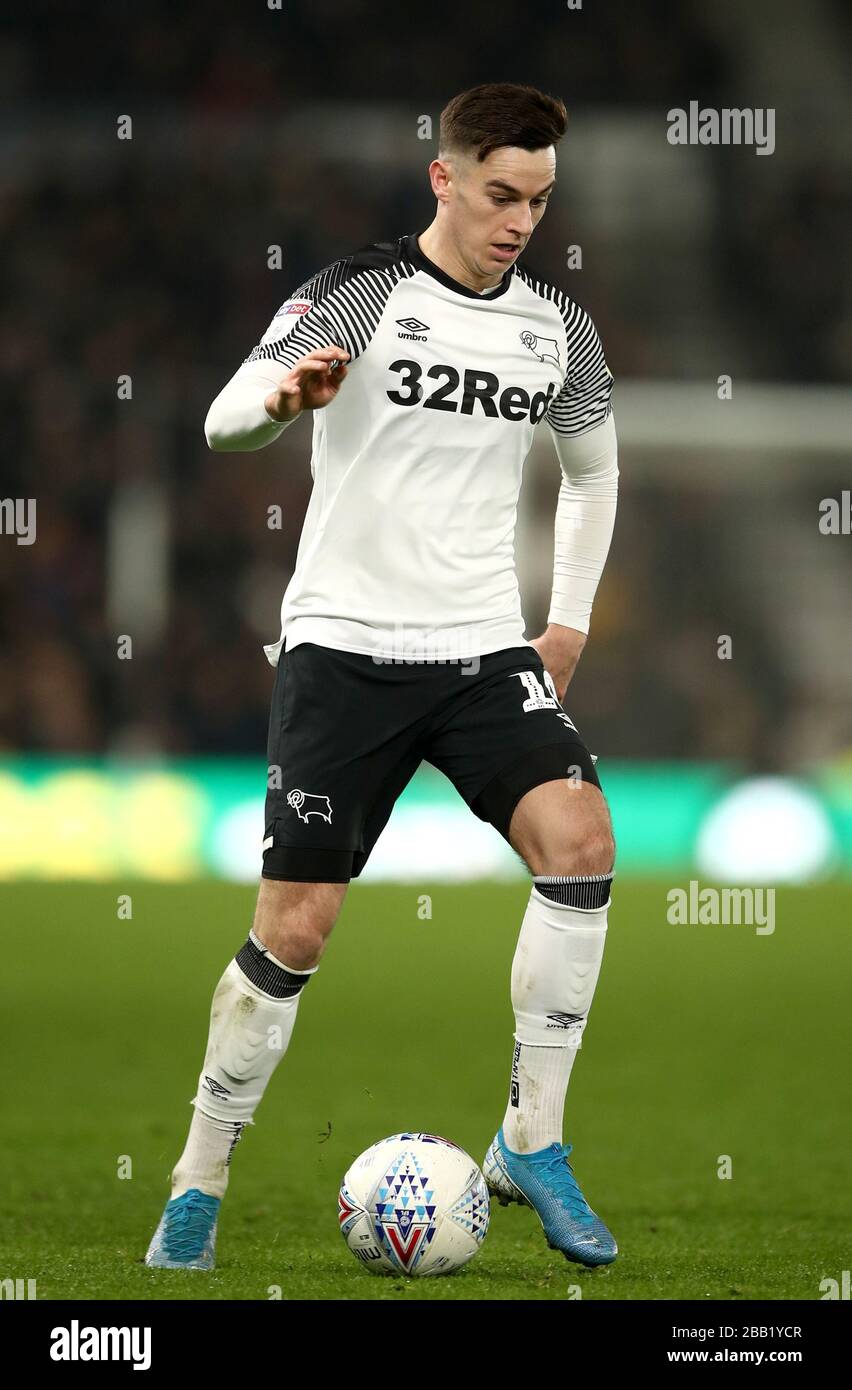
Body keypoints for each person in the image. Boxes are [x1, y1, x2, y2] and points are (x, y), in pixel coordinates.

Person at [146, 81, 619, 1272]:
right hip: (346, 648)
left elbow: (594, 469)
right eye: (502, 193)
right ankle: (198, 1179)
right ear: (444, 178)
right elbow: (220, 423)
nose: (521, 220)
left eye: (541, 199)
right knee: (296, 931)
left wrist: (562, 625)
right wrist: (282, 396)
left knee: (582, 842)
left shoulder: (557, 326)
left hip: (478, 650)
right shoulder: (355, 293)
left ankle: (531, 1140)